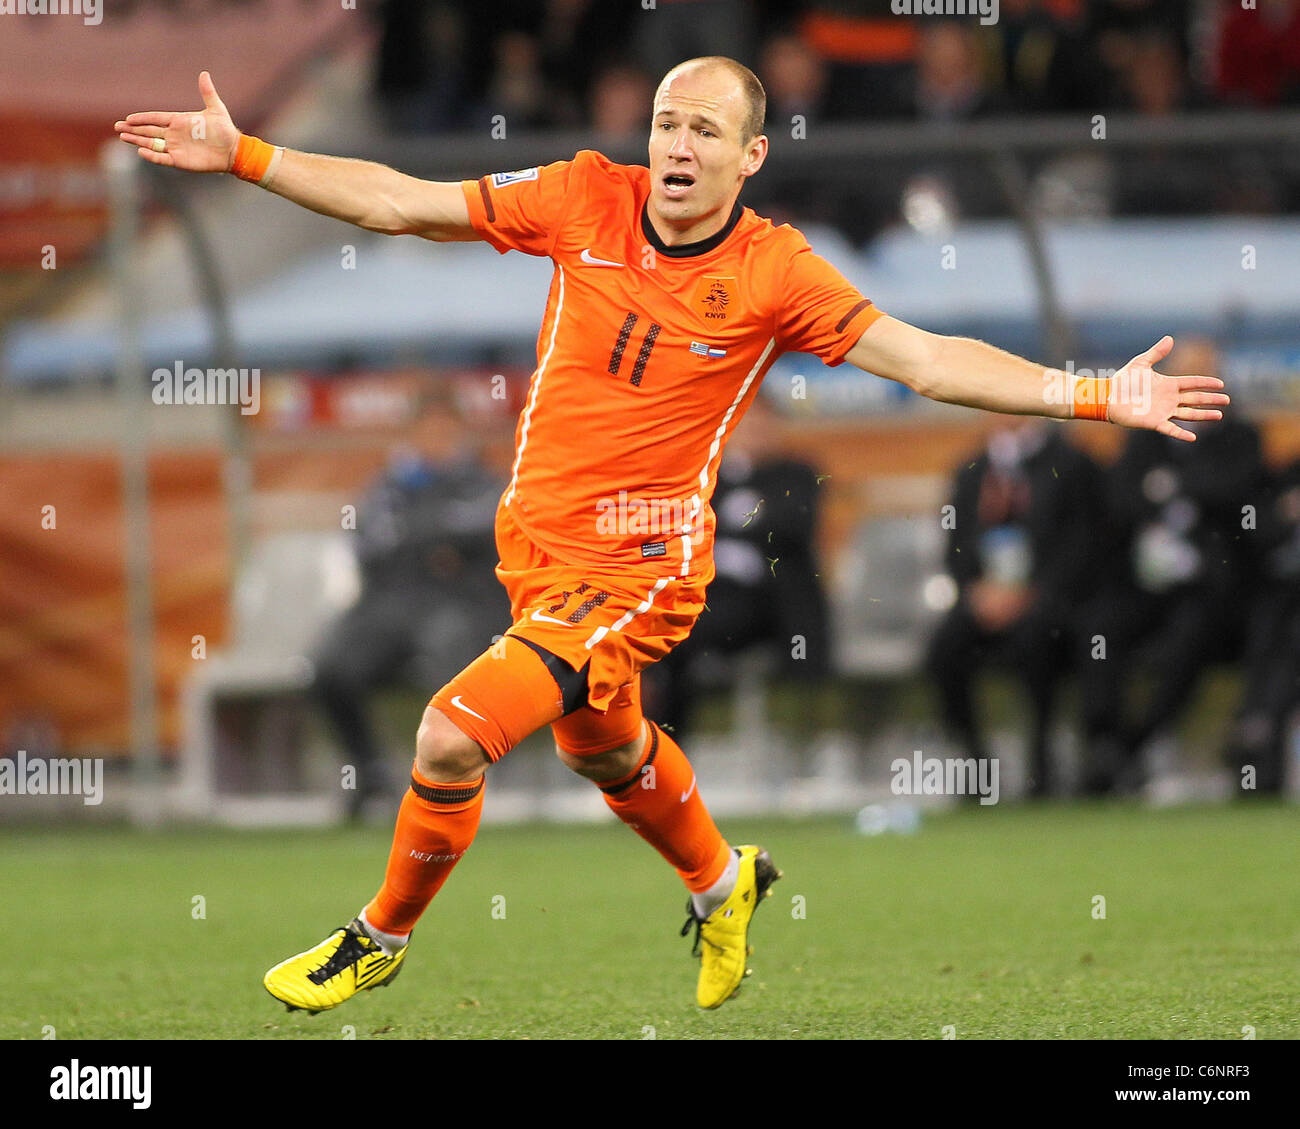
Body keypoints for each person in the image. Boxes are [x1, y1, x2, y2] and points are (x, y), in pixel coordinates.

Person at [115, 57, 1228, 1015]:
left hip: (642, 562)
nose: (679, 146)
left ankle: (380, 937)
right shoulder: (581, 199)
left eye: (705, 130)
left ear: (750, 157)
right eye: (666, 124)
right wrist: (249, 155)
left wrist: (1093, 394)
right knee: (602, 748)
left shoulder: (773, 271)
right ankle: (718, 882)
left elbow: (927, 359)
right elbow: (398, 203)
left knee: (451, 736)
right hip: (538, 552)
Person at [311, 444, 507, 819]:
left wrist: (422, 536)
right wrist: (431, 538)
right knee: (328, 669)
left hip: (461, 603)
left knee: (451, 670)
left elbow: (492, 531)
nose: (435, 437)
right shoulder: (389, 485)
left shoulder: (483, 483)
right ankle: (370, 775)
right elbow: (366, 540)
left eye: (443, 429)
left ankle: (454, 784)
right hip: (388, 604)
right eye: (427, 430)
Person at [925, 420, 1104, 798]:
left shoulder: (1071, 464)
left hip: (1047, 603)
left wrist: (1033, 593)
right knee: (943, 650)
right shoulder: (973, 470)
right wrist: (975, 591)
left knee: (1039, 643)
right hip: (984, 598)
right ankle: (974, 765)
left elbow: (1084, 544)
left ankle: (1041, 765)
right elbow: (955, 543)